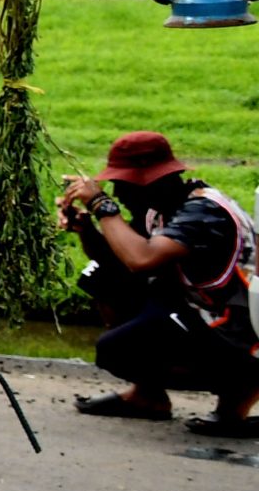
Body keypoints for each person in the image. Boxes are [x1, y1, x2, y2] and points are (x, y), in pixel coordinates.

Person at [61, 131, 259, 435]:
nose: (118, 192)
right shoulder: (161, 209)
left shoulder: (204, 212)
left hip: (245, 334)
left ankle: (238, 398)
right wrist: (87, 229)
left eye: (123, 184)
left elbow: (143, 259)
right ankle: (147, 396)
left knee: (116, 348)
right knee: (100, 275)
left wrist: (102, 204)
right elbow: (124, 263)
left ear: (151, 179)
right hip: (209, 314)